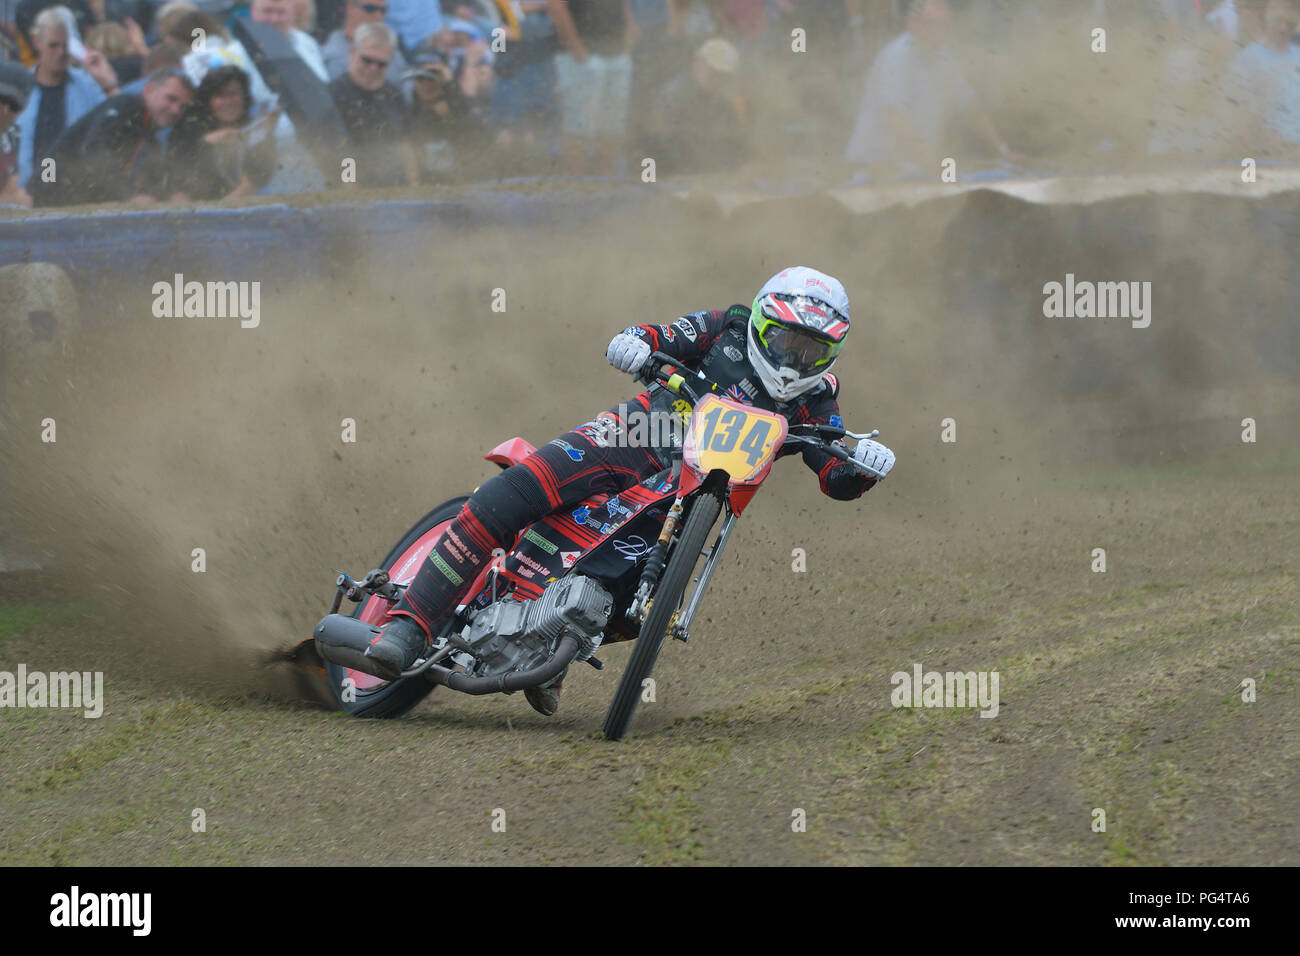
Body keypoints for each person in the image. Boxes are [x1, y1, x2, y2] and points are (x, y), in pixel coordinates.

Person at [327, 267, 897, 717]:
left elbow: (835, 473)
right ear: (763, 325)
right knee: (508, 495)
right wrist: (632, 342)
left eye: (812, 349)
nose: (798, 358)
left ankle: (549, 647)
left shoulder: (816, 396)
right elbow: (660, 335)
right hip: (633, 435)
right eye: (788, 341)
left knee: (622, 607)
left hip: (689, 496)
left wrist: (865, 464)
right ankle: (410, 625)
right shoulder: (728, 324)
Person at [844, 0, 1015, 176]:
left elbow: (970, 108)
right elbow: (895, 118)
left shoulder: (943, 59)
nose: (936, 32)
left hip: (911, 170)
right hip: (872, 170)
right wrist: (932, 165)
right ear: (912, 23)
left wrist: (1002, 150)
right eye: (931, 24)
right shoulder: (897, 57)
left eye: (941, 26)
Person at [26, 65, 193, 205]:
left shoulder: (149, 135)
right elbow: (96, 151)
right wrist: (128, 197)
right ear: (149, 90)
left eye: (183, 107)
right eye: (171, 99)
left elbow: (156, 175)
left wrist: (172, 194)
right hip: (46, 201)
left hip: (65, 205)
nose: (175, 110)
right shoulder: (128, 106)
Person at [13, 5, 107, 188]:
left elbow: (111, 123)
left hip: (74, 189)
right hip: (27, 193)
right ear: (36, 42)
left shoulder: (87, 86)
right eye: (53, 45)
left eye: (65, 45)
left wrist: (110, 84)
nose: (60, 52)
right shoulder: (19, 89)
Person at [166, 63, 276, 198]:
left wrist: (266, 134)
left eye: (233, 94)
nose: (228, 101)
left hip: (237, 204)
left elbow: (258, 176)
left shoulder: (254, 128)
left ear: (244, 97)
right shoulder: (190, 125)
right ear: (208, 100)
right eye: (220, 96)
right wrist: (207, 143)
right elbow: (175, 169)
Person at [329, 19, 414, 186]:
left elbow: (405, 145)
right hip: (356, 187)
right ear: (352, 52)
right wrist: (351, 187)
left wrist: (414, 184)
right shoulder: (334, 95)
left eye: (381, 64)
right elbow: (342, 149)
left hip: (396, 188)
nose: (373, 68)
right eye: (367, 60)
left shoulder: (394, 95)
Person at [322, 0, 408, 84]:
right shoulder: (329, 56)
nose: (379, 16)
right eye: (370, 9)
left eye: (383, 10)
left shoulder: (393, 52)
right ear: (350, 8)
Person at [1, 62, 34, 206]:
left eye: (14, 104)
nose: (5, 110)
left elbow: (11, 191)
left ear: (24, 106)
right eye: (1, 99)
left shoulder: (12, 134)